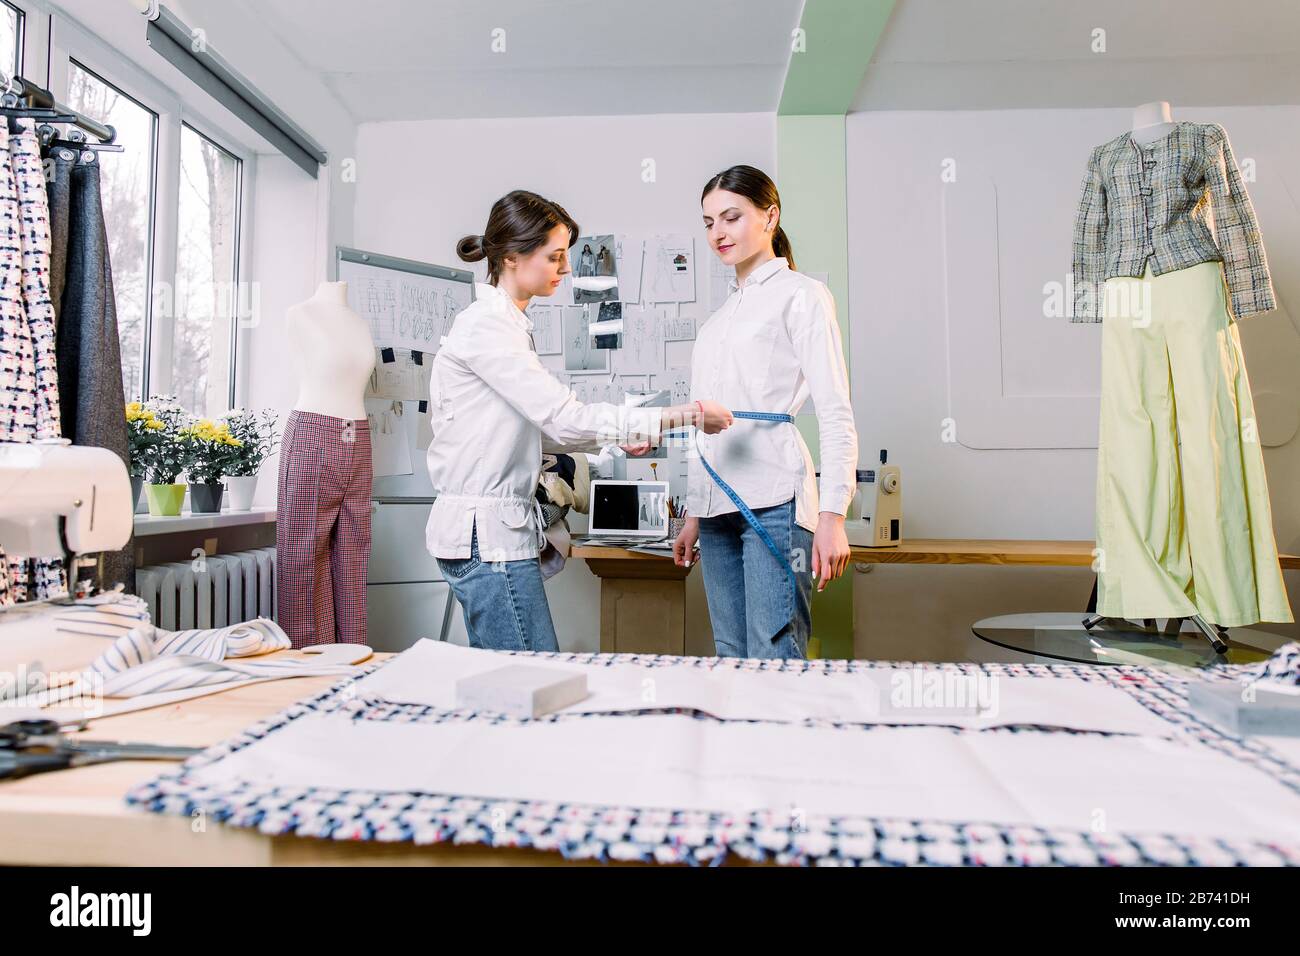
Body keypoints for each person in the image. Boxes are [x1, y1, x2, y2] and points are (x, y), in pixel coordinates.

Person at [427, 189, 733, 651]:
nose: (566, 269)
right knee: (532, 680)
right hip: (486, 538)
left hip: (485, 534)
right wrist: (684, 416)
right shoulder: (489, 326)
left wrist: (615, 441)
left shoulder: (502, 324)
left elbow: (542, 429)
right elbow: (566, 419)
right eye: (554, 257)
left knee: (510, 680)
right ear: (512, 256)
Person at [672, 166, 858, 659]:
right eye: (709, 222)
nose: (718, 233)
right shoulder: (714, 324)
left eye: (731, 217)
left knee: (773, 652)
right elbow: (702, 429)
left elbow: (836, 409)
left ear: (770, 216)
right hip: (714, 509)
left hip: (773, 498)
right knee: (730, 652)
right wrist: (693, 512)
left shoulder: (803, 296)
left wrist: (833, 514)